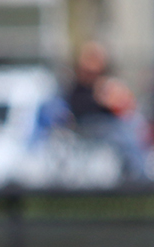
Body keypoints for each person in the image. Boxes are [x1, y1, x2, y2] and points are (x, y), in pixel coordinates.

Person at [63, 41, 149, 181]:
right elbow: (80, 110)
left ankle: (138, 169)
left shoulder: (104, 83)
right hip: (89, 125)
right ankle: (138, 175)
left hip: (109, 123)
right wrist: (101, 101)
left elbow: (123, 106)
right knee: (122, 134)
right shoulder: (78, 86)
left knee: (134, 125)